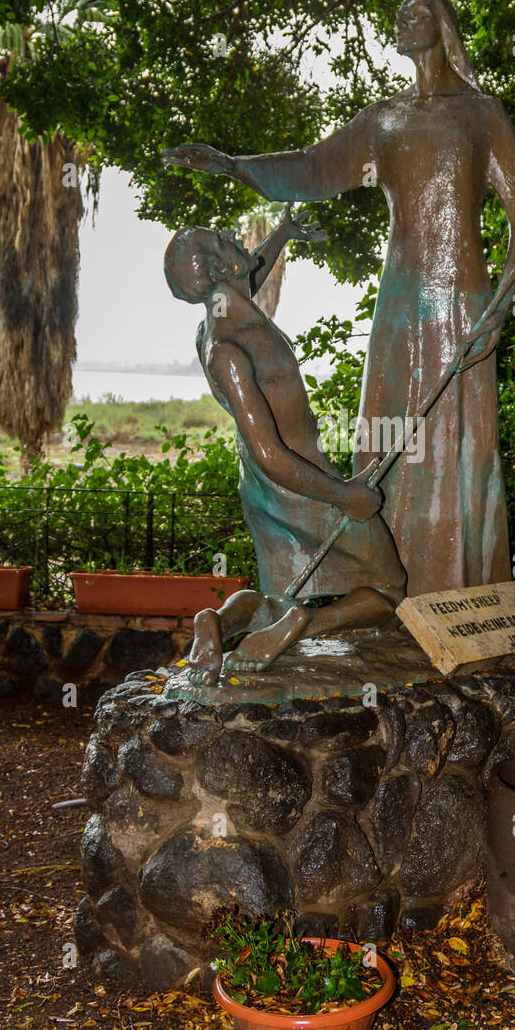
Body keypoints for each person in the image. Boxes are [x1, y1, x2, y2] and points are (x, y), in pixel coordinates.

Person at [162, 0, 515, 595]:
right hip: (399, 302)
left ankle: (460, 587)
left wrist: (502, 302)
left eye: (415, 10)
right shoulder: (383, 120)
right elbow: (313, 168)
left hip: (465, 298)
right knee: (389, 433)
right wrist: (234, 164)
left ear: (441, 24)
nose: (401, 17)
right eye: (397, 11)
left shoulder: (482, 115)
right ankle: (385, 589)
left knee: (460, 438)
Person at [163, 206, 406, 678]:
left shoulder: (223, 312)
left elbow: (249, 269)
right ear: (216, 270)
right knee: (389, 588)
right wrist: (346, 495)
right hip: (292, 476)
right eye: (222, 238)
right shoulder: (229, 350)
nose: (233, 236)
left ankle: (215, 621)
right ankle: (306, 626)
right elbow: (270, 453)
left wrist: (282, 235)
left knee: (278, 591)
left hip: (266, 480)